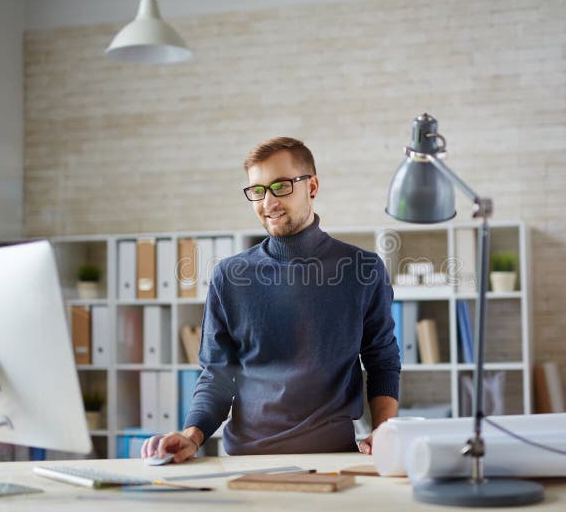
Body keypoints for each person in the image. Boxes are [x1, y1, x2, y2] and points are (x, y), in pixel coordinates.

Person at [142, 137, 401, 462]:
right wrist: (192, 435)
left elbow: (382, 360)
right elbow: (217, 374)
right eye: (258, 190)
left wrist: (385, 430)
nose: (268, 202)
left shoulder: (362, 270)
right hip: (246, 460)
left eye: (281, 186)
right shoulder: (230, 276)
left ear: (312, 186)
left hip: (334, 459)